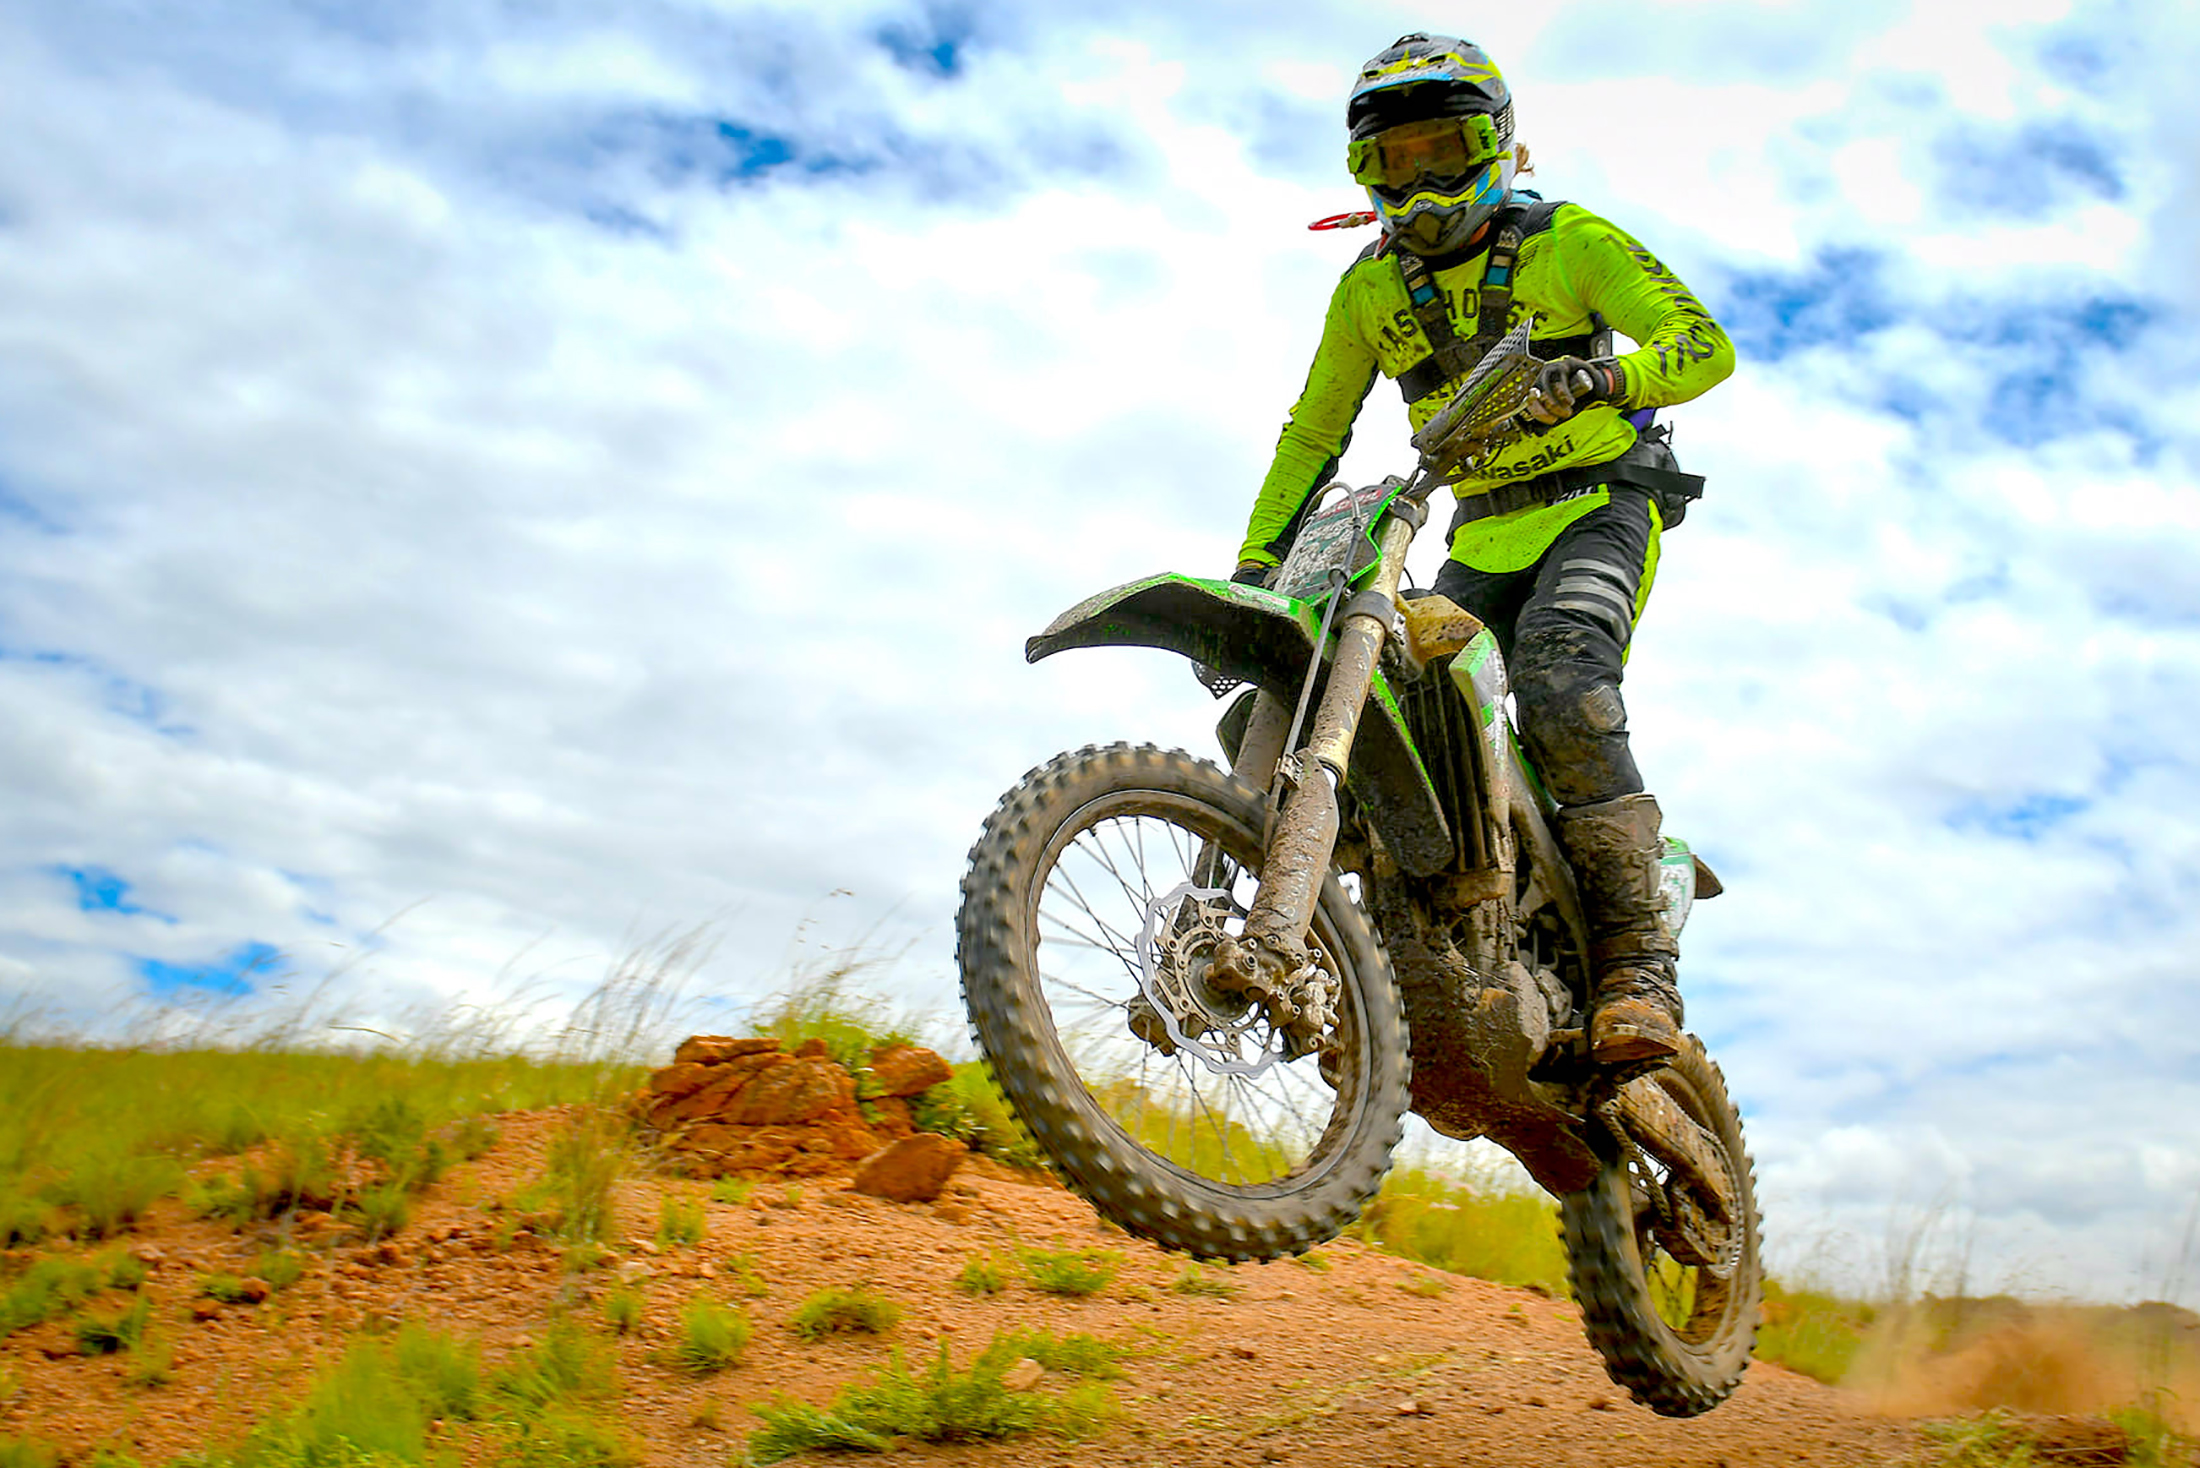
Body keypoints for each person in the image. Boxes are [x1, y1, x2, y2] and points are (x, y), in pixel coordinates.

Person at [1231, 33, 1735, 1065]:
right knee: (1397, 701)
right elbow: (1313, 432)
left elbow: (1702, 347)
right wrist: (1253, 565)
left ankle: (1640, 964)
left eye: (1442, 151)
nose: (1417, 186)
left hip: (1600, 498)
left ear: (1496, 144)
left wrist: (1603, 381)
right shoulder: (1367, 292)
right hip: (1480, 527)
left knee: (1559, 682)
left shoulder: (1569, 242)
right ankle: (1402, 949)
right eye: (1391, 164)